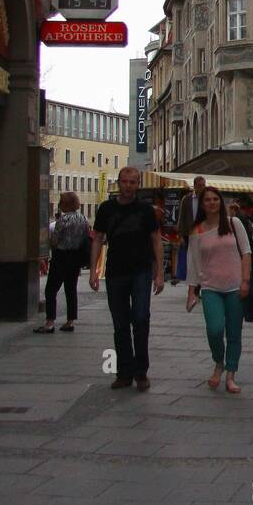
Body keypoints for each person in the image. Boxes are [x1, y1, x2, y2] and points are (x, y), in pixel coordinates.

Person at [90, 167, 164, 392]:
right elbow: (98, 239)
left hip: (141, 271)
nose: (129, 186)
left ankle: (141, 372)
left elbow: (156, 240)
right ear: (119, 183)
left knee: (141, 319)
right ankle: (124, 372)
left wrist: (159, 272)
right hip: (115, 272)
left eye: (133, 182)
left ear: (138, 184)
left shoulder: (145, 210)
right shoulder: (106, 208)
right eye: (125, 182)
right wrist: (93, 269)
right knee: (120, 323)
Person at [186, 185, 252, 395]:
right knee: (214, 329)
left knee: (234, 333)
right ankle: (218, 362)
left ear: (221, 202)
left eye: (215, 199)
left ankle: (230, 374)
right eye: (207, 200)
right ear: (202, 204)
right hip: (210, 287)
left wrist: (245, 281)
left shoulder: (234, 224)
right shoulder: (197, 231)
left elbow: (246, 253)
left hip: (235, 287)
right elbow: (193, 264)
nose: (212, 202)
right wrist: (191, 291)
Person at [36, 191, 90, 333]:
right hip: (76, 258)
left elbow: (55, 240)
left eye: (60, 203)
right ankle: (70, 321)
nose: (59, 206)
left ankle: (50, 322)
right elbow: (85, 238)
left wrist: (49, 248)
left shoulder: (62, 220)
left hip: (61, 257)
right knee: (71, 289)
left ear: (66, 204)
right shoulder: (83, 219)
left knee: (51, 290)